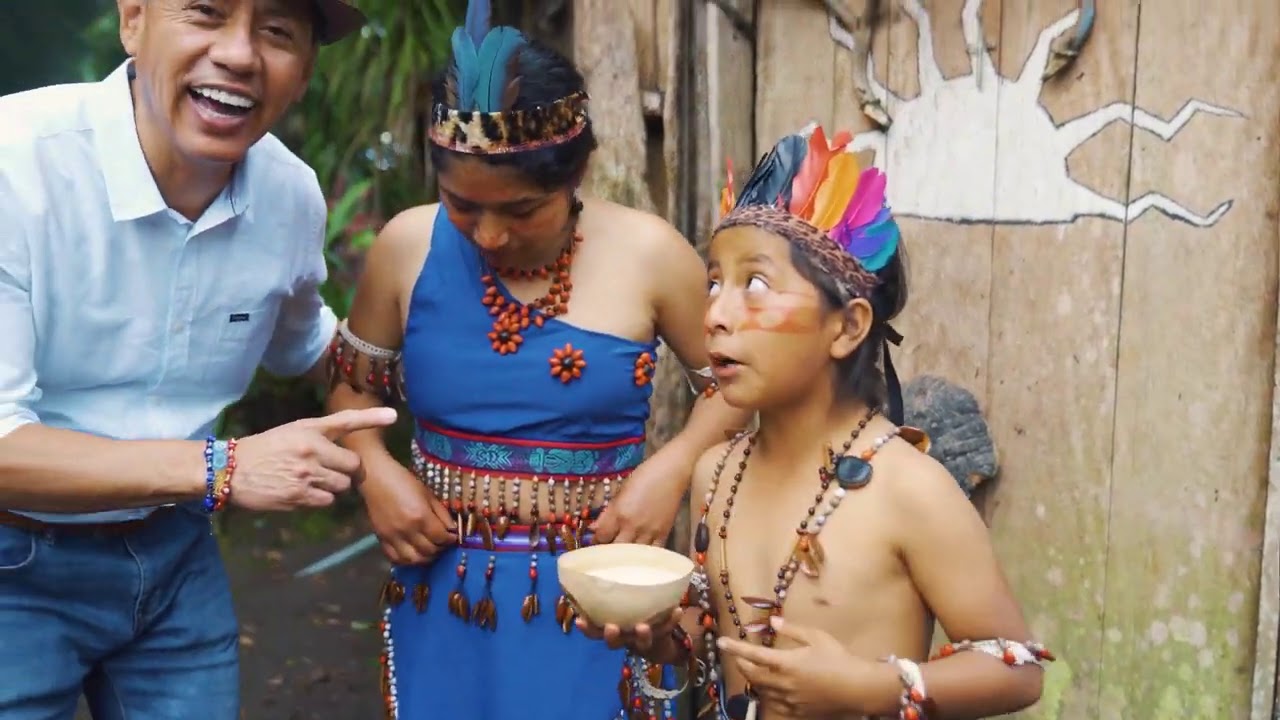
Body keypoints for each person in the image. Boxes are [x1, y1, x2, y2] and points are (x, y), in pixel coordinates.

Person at [325, 0, 752, 717]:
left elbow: (739, 382)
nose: (489, 235)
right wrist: (374, 470)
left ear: (577, 172)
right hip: (442, 588)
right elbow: (349, 388)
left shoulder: (650, 253)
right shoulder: (406, 245)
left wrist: (674, 466)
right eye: (462, 205)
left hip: (605, 592)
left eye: (522, 210)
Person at [578, 125, 1051, 720]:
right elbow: (719, 633)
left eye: (754, 284)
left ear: (847, 327)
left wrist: (870, 687)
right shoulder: (715, 473)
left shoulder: (908, 489)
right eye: (714, 283)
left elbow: (1017, 668)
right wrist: (664, 638)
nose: (716, 313)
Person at [0, 1, 392, 718]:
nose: (239, 54)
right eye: (205, 14)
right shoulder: (17, 162)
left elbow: (312, 346)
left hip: (174, 551)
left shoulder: (289, 194)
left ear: (305, 69)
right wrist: (223, 469)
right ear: (134, 20)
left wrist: (481, 359)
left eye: (277, 32)